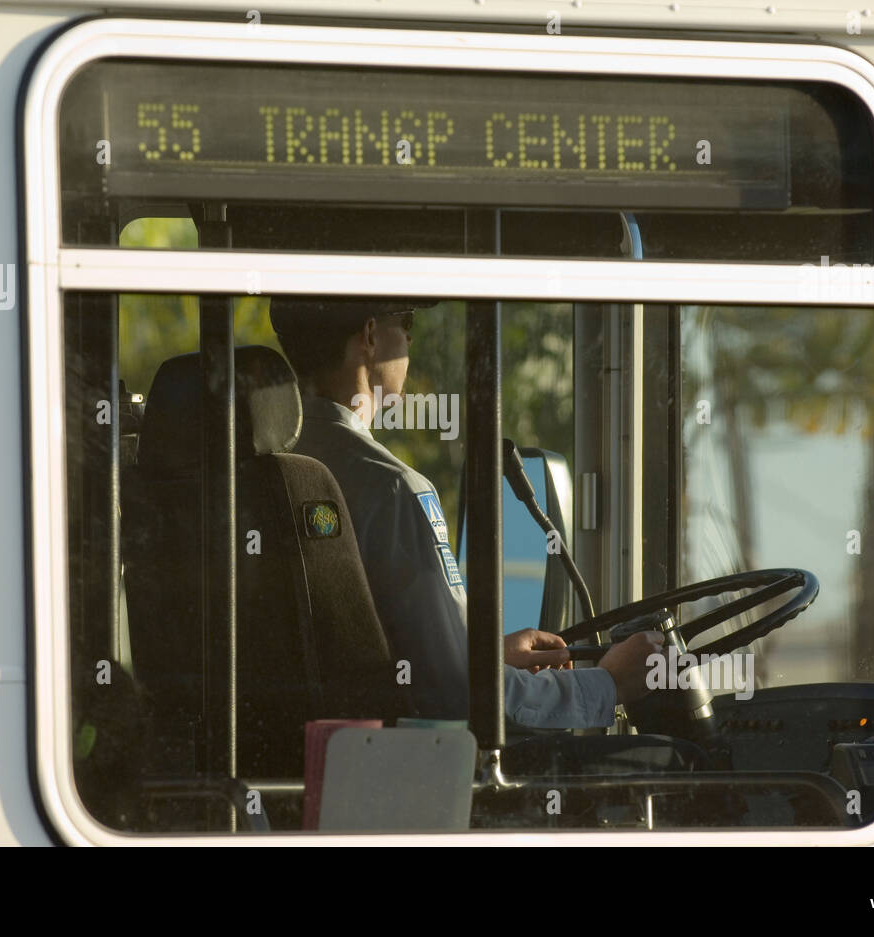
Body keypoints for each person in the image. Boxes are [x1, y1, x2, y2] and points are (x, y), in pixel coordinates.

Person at [269, 296, 660, 729]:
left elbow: (338, 652)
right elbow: (463, 697)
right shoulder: (393, 487)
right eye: (406, 319)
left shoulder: (254, 473)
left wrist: (480, 654)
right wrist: (609, 684)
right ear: (370, 334)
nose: (411, 335)